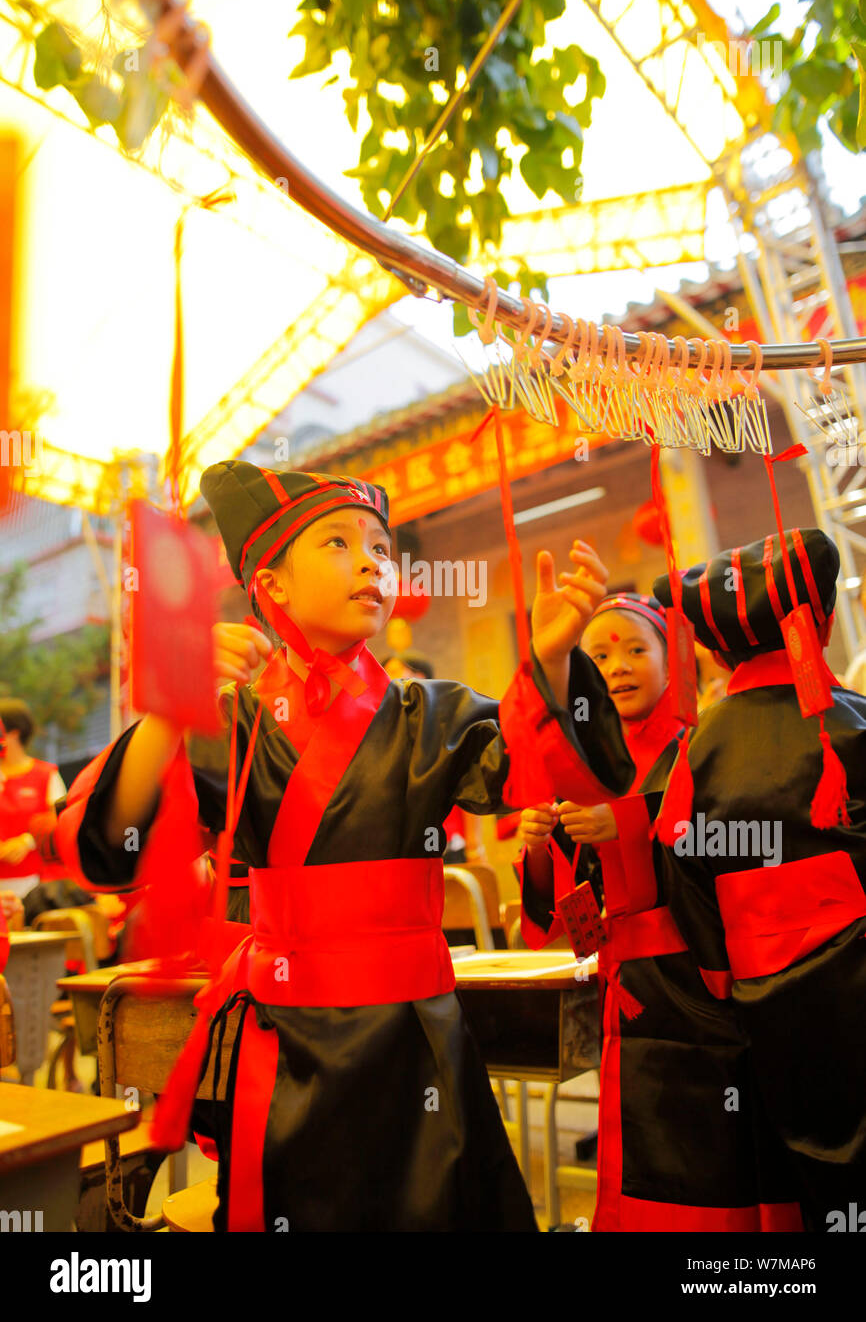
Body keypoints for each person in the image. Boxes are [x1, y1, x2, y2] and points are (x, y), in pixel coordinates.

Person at [50, 461, 628, 1232]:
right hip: (287, 1047)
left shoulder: (435, 713)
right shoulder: (231, 723)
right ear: (272, 584)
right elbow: (109, 853)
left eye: (382, 548)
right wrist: (167, 712)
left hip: (419, 1039)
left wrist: (552, 663)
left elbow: (540, 780)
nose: (372, 562)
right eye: (337, 542)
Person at [516, 589, 799, 1231]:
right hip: (630, 988)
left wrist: (622, 822)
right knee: (645, 1148)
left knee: (722, 1151)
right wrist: (540, 846)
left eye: (635, 649)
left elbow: (736, 845)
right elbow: (557, 909)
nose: (617, 666)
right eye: (600, 656)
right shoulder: (582, 767)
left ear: (674, 662)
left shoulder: (706, 745)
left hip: (706, 981)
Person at [653, 528, 866, 1233]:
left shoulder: (691, 756)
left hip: (761, 1001)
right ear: (824, 621)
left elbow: (686, 885)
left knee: (806, 1180)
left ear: (716, 650)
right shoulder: (855, 726)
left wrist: (725, 985)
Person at [383, 650, 486, 863]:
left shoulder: (445, 726)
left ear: (421, 678)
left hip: (447, 843)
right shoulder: (386, 731)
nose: (386, 677)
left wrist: (475, 845)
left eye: (394, 670)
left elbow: (468, 785)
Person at [0, 699, 66, 900]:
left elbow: (61, 819)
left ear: (14, 733)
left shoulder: (46, 774)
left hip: (37, 885)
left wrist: (26, 842)